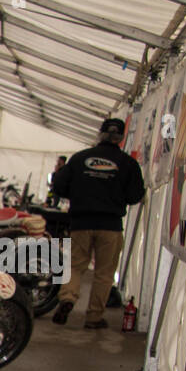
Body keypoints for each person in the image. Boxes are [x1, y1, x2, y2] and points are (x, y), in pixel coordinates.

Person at [50, 118, 145, 329]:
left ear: (99, 134)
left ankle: (67, 298)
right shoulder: (128, 163)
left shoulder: (79, 158)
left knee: (75, 266)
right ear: (121, 138)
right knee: (104, 273)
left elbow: (58, 185)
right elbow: (136, 195)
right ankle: (93, 317)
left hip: (81, 222)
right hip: (110, 225)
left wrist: (77, 194)